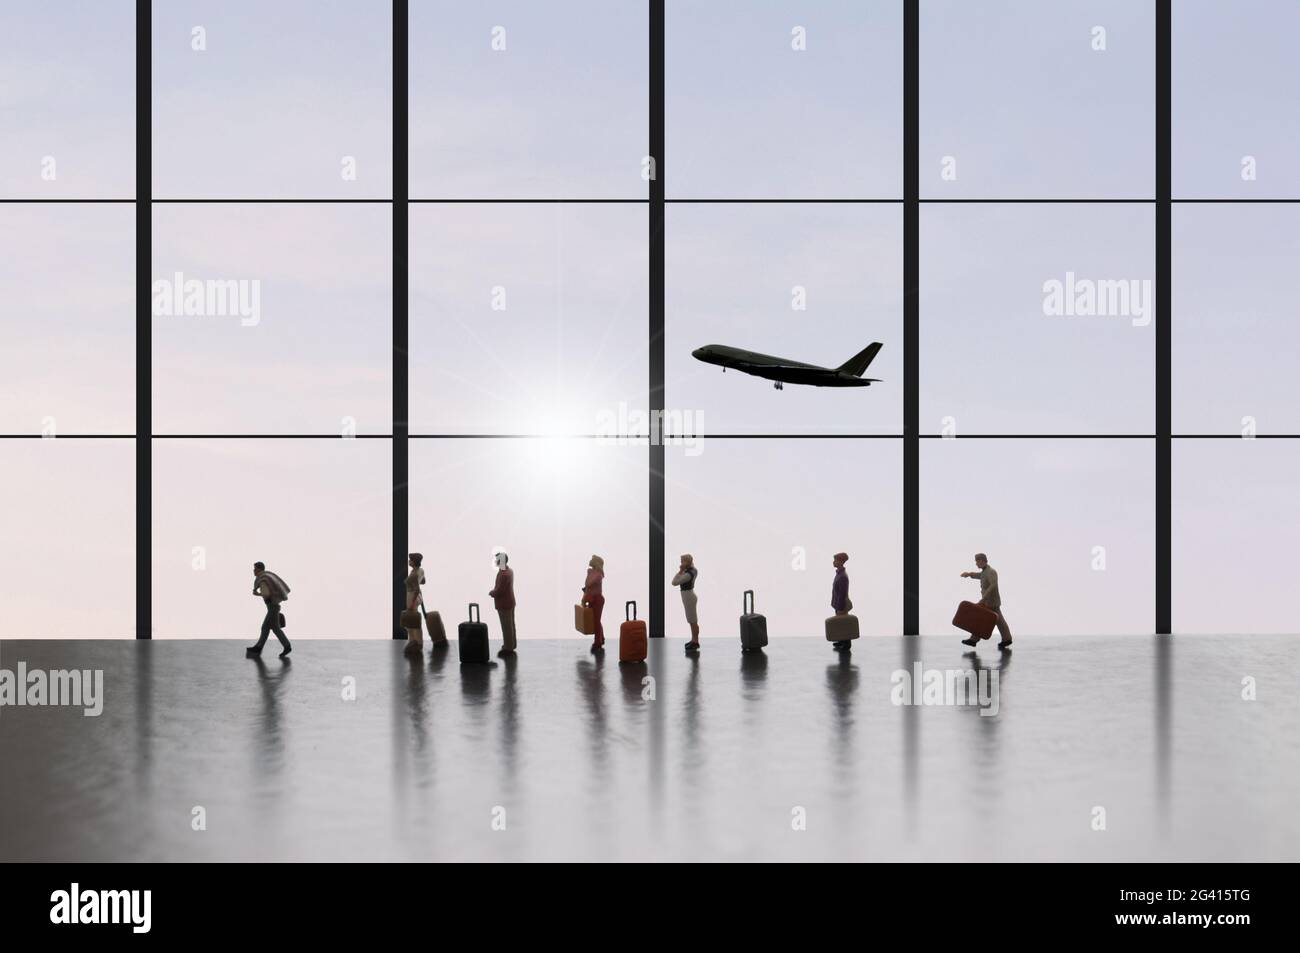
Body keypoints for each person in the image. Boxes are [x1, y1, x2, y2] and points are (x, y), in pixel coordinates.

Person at [960, 552, 1012, 649]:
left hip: (991, 601)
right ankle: (1006, 639)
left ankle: (974, 639)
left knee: (981, 619)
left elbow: (993, 585)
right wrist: (968, 574)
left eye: (977, 561)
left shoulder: (991, 571)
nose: (976, 564)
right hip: (989, 601)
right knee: (999, 621)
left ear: (983, 561)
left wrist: (983, 598)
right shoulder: (985, 572)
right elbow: (979, 575)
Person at [247, 561, 291, 658]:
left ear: (259, 569)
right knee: (273, 628)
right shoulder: (267, 576)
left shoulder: (262, 579)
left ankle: (286, 646)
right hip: (274, 606)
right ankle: (259, 647)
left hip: (272, 607)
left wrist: (257, 594)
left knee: (265, 627)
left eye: (255, 569)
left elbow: (267, 594)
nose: (253, 571)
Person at [489, 551, 517, 657]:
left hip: (504, 603)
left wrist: (492, 593)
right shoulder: (509, 571)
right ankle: (512, 644)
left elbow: (499, 591)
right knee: (511, 625)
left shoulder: (504, 574)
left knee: (506, 626)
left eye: (497, 560)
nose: (495, 561)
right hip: (510, 601)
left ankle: (508, 647)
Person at [671, 553, 700, 653]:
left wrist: (680, 571)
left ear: (687, 562)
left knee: (692, 620)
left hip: (688, 597)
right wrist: (683, 570)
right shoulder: (692, 570)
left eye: (682, 561)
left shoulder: (688, 574)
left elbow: (674, 582)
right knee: (692, 620)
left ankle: (695, 641)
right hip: (689, 596)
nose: (681, 563)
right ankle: (694, 639)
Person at [582, 555, 605, 653]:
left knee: (596, 620)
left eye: (593, 559)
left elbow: (589, 583)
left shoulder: (598, 575)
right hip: (591, 598)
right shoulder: (591, 572)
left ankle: (597, 642)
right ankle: (601, 638)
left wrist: (590, 573)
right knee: (596, 620)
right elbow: (587, 586)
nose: (590, 561)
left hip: (598, 599)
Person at [404, 553, 426, 653]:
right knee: (414, 620)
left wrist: (412, 603)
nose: (409, 561)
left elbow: (416, 589)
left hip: (412, 596)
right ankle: (417, 641)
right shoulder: (420, 570)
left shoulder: (414, 574)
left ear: (414, 562)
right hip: (416, 596)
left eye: (410, 560)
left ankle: (414, 641)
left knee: (411, 620)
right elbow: (424, 581)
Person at [830, 552, 852, 652]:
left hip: (841, 604)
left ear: (841, 562)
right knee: (840, 623)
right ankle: (841, 641)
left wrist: (839, 606)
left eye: (835, 560)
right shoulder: (839, 574)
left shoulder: (843, 576)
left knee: (843, 623)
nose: (833, 562)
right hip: (838, 603)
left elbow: (842, 594)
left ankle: (846, 643)